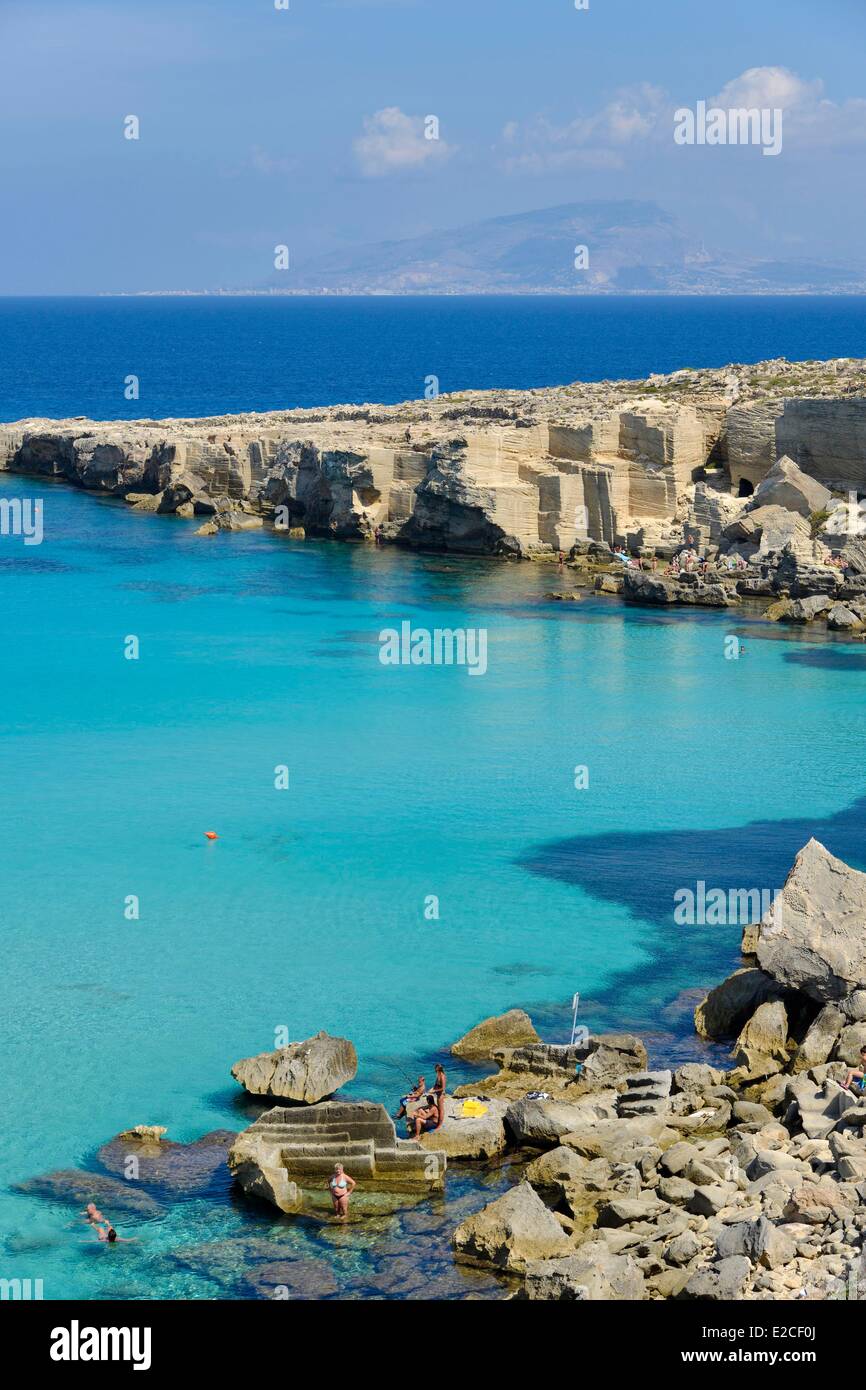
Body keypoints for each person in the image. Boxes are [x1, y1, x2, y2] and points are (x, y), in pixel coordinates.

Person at [432, 1063, 447, 1128]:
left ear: (438, 1068)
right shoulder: (438, 1075)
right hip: (438, 1094)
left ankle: (440, 1125)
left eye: (435, 1068)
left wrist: (435, 1091)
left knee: (441, 1110)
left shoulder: (442, 1076)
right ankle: (438, 1122)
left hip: (441, 1095)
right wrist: (432, 1089)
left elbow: (443, 1088)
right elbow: (436, 1084)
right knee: (439, 1108)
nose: (434, 1069)